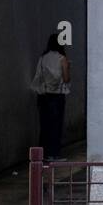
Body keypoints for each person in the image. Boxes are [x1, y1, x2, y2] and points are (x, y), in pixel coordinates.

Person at [30, 32, 70, 161]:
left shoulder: (43, 58)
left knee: (45, 126)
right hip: (57, 96)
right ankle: (54, 154)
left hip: (43, 96)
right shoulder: (62, 59)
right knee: (56, 126)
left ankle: (43, 154)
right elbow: (66, 78)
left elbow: (38, 77)